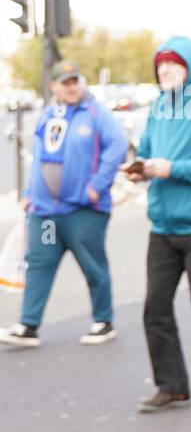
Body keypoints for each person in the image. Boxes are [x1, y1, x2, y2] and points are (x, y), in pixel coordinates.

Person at [122, 37, 191, 413]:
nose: (165, 70)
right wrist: (141, 169)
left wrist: (172, 170)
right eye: (160, 65)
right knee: (154, 309)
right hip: (163, 226)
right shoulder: (158, 106)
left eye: (174, 63)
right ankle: (172, 387)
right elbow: (151, 153)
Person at [0, 61, 128, 349]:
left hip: (83, 211)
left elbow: (117, 146)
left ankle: (103, 321)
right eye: (65, 82)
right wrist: (31, 193)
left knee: (92, 265)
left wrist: (97, 187)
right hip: (45, 212)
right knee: (39, 264)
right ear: (54, 86)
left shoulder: (96, 113)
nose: (71, 87)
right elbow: (40, 156)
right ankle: (28, 325)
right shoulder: (49, 114)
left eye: (75, 81)